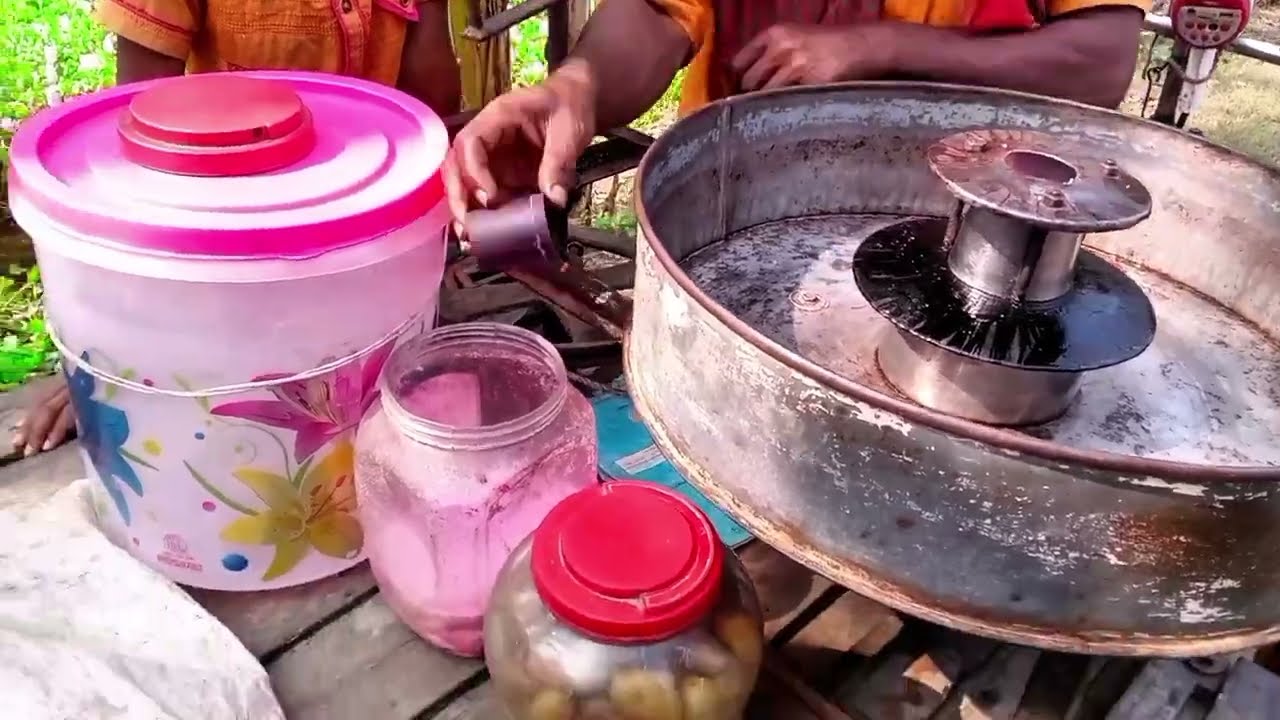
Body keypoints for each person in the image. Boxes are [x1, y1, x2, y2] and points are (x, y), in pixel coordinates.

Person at [12, 0, 462, 457]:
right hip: (221, 290)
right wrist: (115, 361)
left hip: (363, 284)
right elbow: (138, 168)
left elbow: (430, 115)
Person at [443, 0, 1148, 220]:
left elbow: (1102, 58)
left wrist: (880, 45)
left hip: (956, 230)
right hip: (738, 221)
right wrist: (577, 87)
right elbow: (658, 16)